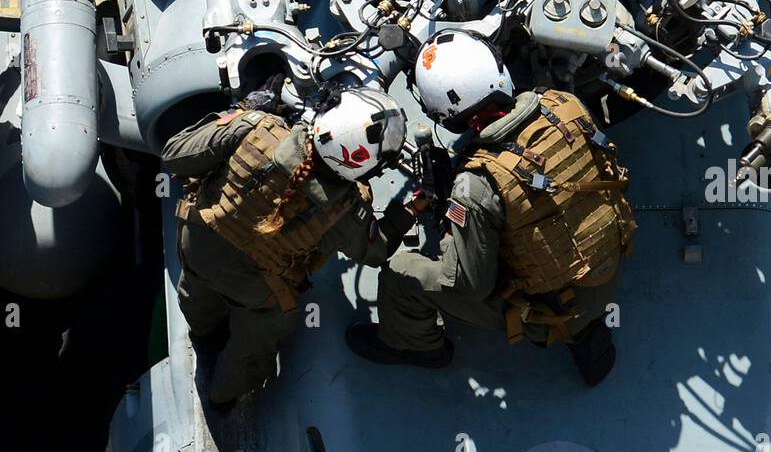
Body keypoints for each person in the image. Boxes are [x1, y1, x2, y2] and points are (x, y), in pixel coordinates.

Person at [346, 31, 634, 386]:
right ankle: (585, 332)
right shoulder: (564, 104)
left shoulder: (477, 184)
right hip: (606, 275)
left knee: (401, 272)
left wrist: (444, 207)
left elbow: (469, 286)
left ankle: (417, 347)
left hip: (550, 309)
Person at [163, 81, 425, 409]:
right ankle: (221, 397)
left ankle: (203, 332)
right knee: (251, 351)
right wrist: (413, 208)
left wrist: (241, 112)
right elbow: (376, 250)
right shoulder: (347, 210)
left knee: (197, 294)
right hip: (256, 289)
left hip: (199, 244)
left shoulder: (255, 128)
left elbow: (175, 156)